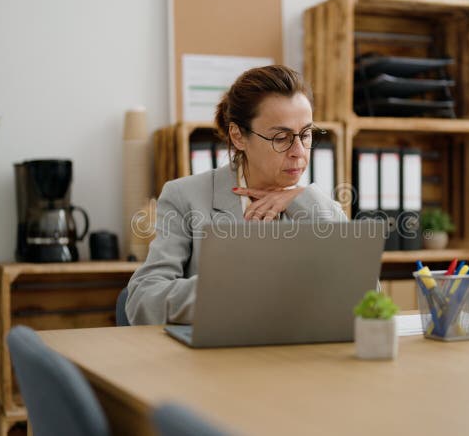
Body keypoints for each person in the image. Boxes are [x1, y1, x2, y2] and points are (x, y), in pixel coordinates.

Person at [126, 65, 347, 325]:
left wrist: (305, 199)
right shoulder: (185, 197)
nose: (299, 151)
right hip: (216, 360)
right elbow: (143, 299)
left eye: (306, 134)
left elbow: (366, 297)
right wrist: (237, 289)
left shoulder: (319, 206)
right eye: (281, 137)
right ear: (238, 136)